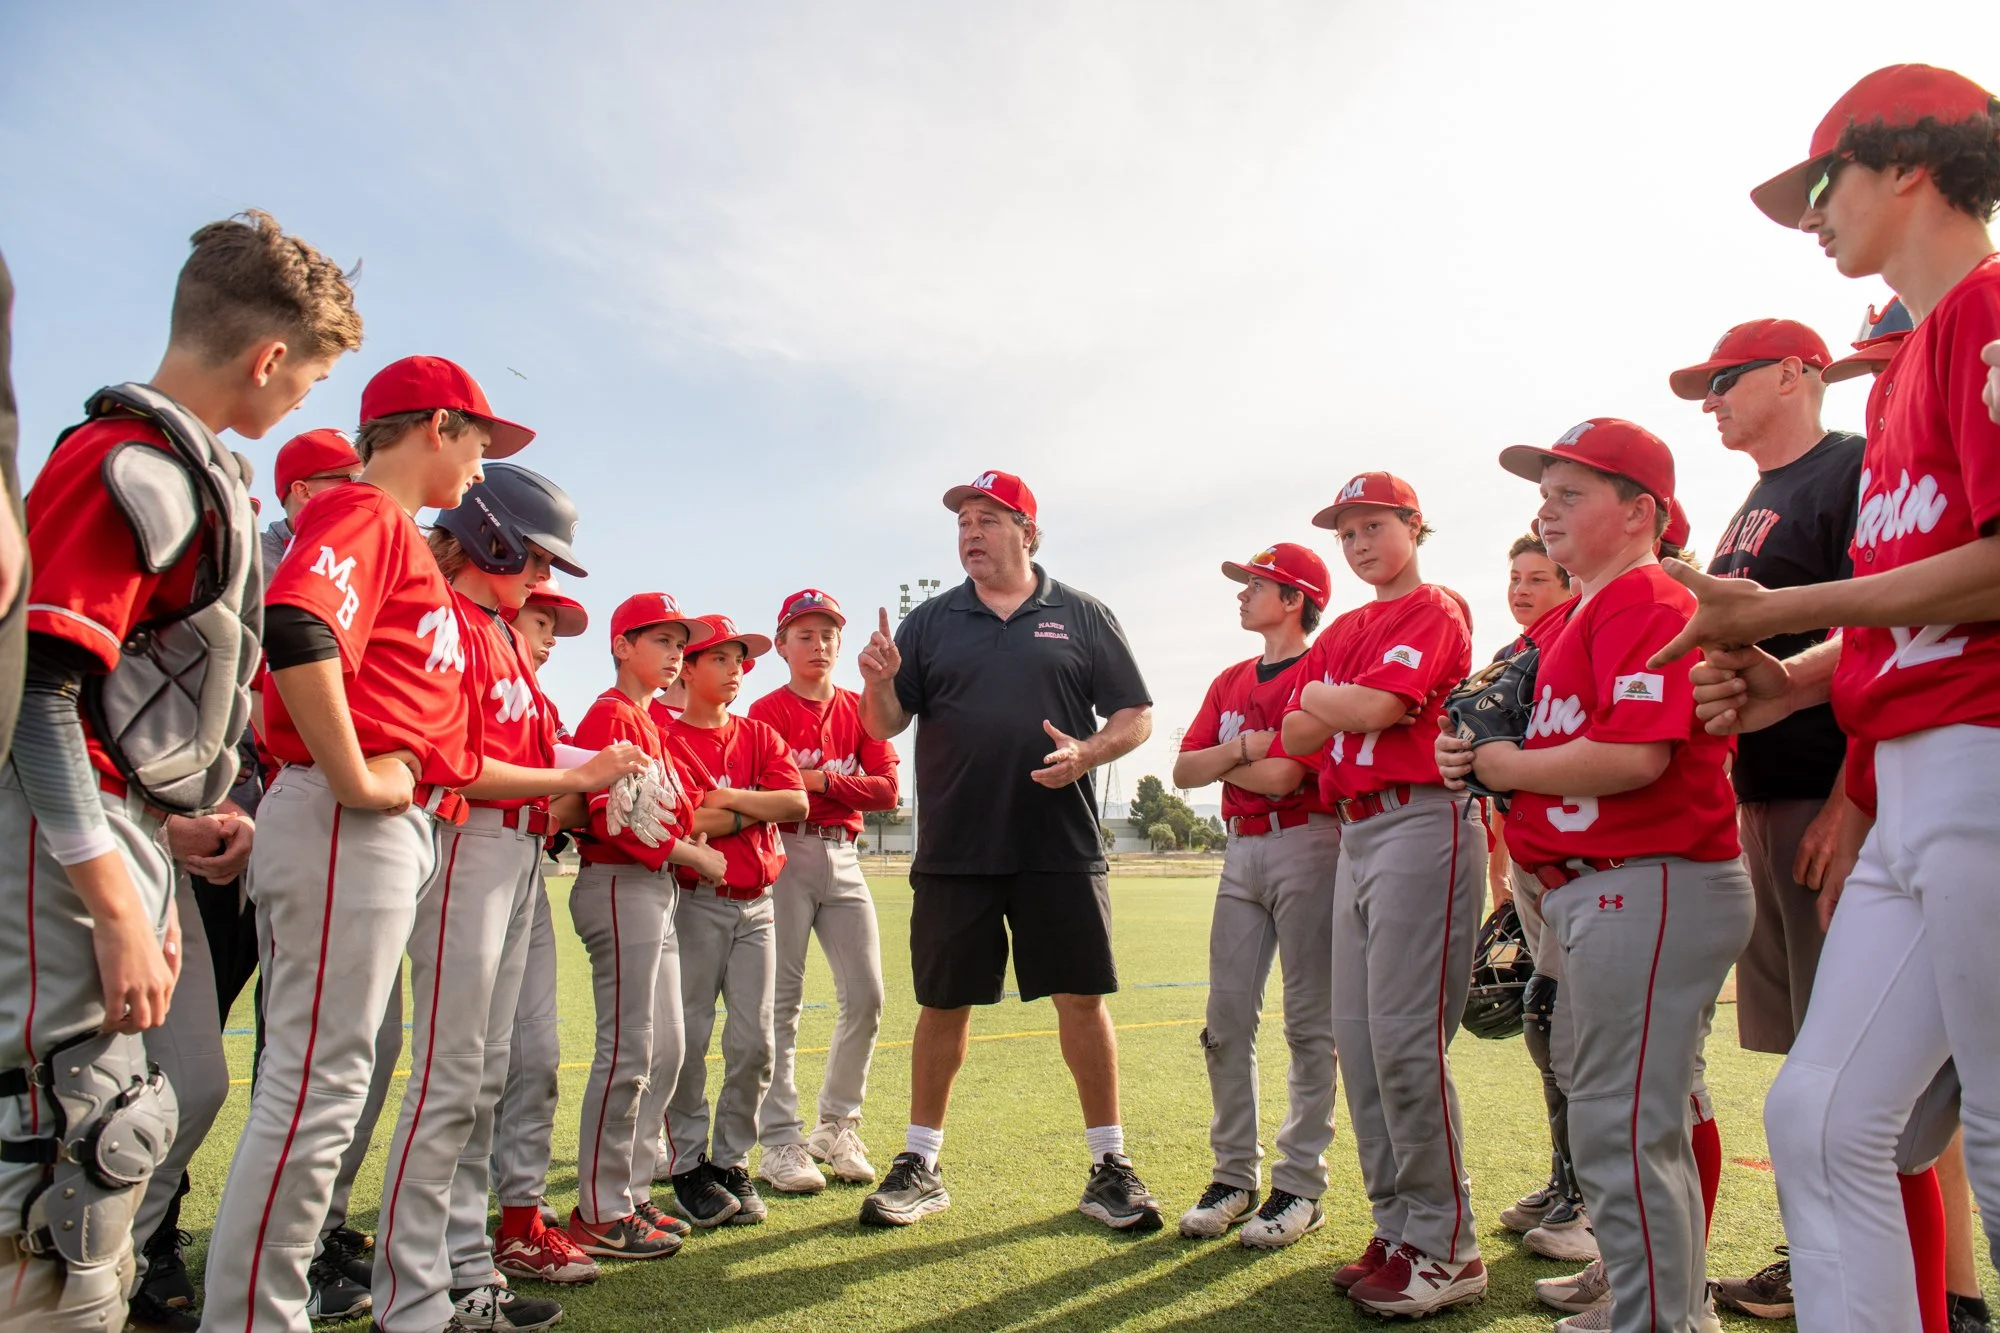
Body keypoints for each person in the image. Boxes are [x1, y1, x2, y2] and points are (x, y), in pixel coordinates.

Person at [1656, 63, 2000, 1333]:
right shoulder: (1906, 373)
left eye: (1822, 181)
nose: (1809, 214)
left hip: (1983, 764)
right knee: (1819, 1115)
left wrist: (1778, 614)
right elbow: (1910, 610)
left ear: (1908, 163)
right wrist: (1781, 681)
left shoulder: (1986, 307)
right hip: (1915, 778)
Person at [0, 211, 359, 1333]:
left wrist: (183, 815)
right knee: (60, 1138)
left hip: (125, 828)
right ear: (266, 357)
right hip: (62, 840)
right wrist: (109, 893)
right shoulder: (123, 464)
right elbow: (36, 695)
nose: (303, 397)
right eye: (306, 375)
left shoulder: (186, 470)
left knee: (142, 1111)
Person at [199, 354, 534, 1331]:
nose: (480, 465)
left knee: (327, 1086)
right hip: (345, 816)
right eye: (477, 438)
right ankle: (254, 1318)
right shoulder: (365, 510)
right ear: (434, 426)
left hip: (380, 823)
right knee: (317, 1089)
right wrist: (351, 773)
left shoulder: (388, 532)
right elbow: (298, 620)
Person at [1439, 418, 1752, 1333]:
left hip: (1651, 877)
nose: (1547, 508)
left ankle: (1657, 1320)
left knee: (1622, 1126)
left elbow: (1637, 757)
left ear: (1640, 511)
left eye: (1572, 493)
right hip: (1600, 884)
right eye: (1545, 493)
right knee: (1619, 1121)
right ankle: (1661, 1308)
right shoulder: (1577, 613)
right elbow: (1523, 732)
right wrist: (1476, 749)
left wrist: (1502, 767)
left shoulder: (1651, 598)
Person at [370, 465, 652, 1332]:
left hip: (518, 848)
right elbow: (454, 760)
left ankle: (459, 1267)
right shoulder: (450, 617)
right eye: (535, 555)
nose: (544, 576)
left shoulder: (490, 630)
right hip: (465, 841)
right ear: (488, 534)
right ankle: (411, 1293)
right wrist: (591, 768)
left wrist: (590, 776)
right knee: (451, 1076)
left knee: (482, 1076)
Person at [854, 469, 1157, 1230]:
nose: (971, 533)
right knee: (942, 1003)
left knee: (1080, 1000)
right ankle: (920, 1161)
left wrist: (1088, 752)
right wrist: (879, 683)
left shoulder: (1084, 616)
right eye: (963, 522)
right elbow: (885, 724)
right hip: (957, 844)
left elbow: (1137, 713)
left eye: (989, 519)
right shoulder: (928, 622)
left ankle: (1109, 1163)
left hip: (1059, 843)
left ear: (1029, 531)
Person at [1276, 473, 1483, 1317]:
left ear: (1413, 524)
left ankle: (1449, 1243)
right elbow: (1297, 735)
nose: (1358, 542)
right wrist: (1339, 705)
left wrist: (1333, 701)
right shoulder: (1351, 625)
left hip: (1421, 818)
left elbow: (1372, 704)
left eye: (1373, 525)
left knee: (1405, 1044)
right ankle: (1399, 1226)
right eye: (1346, 531)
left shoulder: (1435, 605)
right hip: (1356, 827)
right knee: (1358, 1044)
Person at [1171, 543, 1341, 1249]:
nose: (1243, 594)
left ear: (1294, 598)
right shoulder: (1230, 678)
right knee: (1227, 1018)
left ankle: (1300, 1183)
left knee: (1308, 1024)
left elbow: (1287, 779)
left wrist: (1238, 764)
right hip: (1242, 848)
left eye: (1257, 584)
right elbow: (1185, 769)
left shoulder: (1323, 671)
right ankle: (1234, 1174)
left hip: (1310, 840)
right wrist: (1246, 751)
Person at [562, 593, 724, 1260]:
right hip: (618, 885)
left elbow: (672, 812)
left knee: (666, 1050)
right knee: (628, 1051)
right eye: (660, 639)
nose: (674, 653)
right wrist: (693, 852)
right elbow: (614, 822)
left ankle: (627, 1193)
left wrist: (686, 841)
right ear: (622, 644)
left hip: (652, 891)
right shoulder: (610, 711)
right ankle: (599, 1208)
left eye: (678, 643)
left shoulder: (650, 720)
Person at [748, 590, 899, 1194]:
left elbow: (888, 790)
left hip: (843, 852)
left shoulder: (862, 708)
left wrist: (819, 781)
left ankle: (837, 1124)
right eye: (805, 635)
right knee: (778, 1002)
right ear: (782, 644)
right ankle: (780, 1138)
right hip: (783, 850)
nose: (819, 645)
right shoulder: (764, 709)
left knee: (867, 996)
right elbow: (777, 789)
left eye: (829, 634)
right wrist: (839, 778)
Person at [662, 617, 807, 1225]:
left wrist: (728, 802)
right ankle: (688, 1165)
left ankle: (730, 1161)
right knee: (690, 1040)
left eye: (740, 661)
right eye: (719, 659)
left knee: (756, 1042)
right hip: (695, 901)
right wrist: (752, 807)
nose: (735, 671)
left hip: (759, 906)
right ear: (687, 669)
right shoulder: (664, 736)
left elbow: (796, 803)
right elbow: (683, 822)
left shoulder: (760, 735)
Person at [1487, 534, 1572, 916]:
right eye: (1514, 578)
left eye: (1537, 580)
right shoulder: (1507, 657)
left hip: (1572, 838)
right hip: (1526, 841)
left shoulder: (1578, 643)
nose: (1520, 590)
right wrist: (1496, 870)